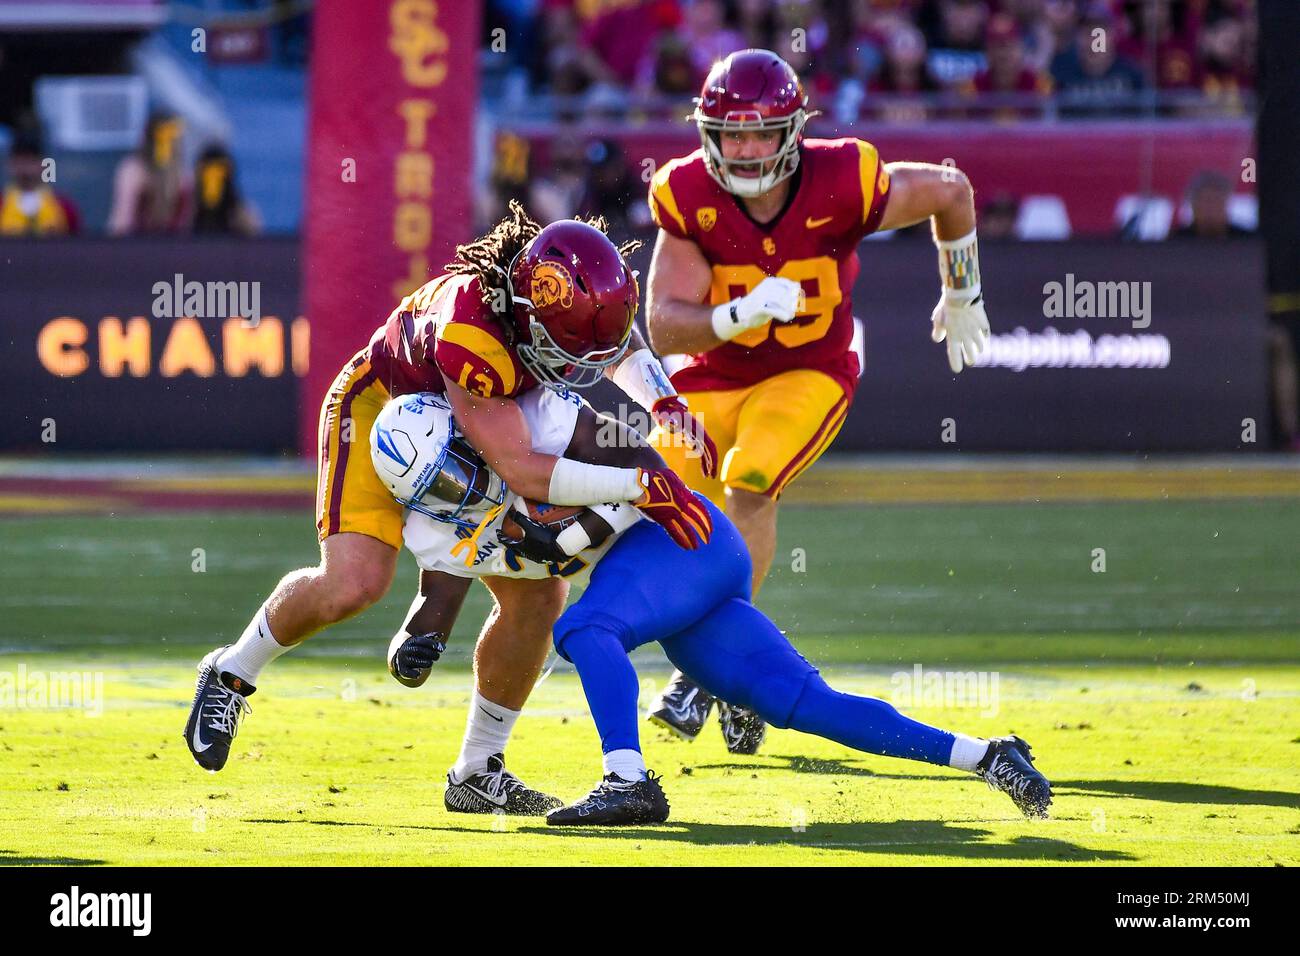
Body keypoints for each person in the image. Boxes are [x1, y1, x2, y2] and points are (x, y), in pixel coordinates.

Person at [183, 206, 717, 817]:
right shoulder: (477, 338)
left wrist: (663, 400)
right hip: (386, 419)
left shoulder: (557, 298)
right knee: (351, 584)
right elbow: (519, 469)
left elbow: (614, 343)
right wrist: (637, 484)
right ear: (528, 318)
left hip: (474, 415)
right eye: (568, 353)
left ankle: (476, 771)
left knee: (540, 598)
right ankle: (230, 672)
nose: (580, 371)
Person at [372, 388, 1052, 826]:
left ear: (470, 439)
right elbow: (433, 606)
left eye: (456, 471)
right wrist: (411, 651)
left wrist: (559, 532)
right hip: (681, 587)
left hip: (680, 538)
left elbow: (645, 480)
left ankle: (626, 780)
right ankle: (987, 756)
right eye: (436, 487)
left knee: (582, 625)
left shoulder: (541, 425)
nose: (456, 492)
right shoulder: (438, 523)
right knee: (802, 705)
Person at [641, 49, 991, 753]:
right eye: (728, 132)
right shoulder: (685, 192)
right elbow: (663, 321)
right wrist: (734, 317)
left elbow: (951, 191)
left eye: (758, 132)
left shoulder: (842, 177)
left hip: (809, 369)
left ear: (792, 131)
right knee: (658, 499)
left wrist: (962, 290)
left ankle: (711, 673)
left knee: (752, 481)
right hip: (714, 373)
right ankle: (742, 677)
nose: (741, 148)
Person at [0, 127, 80, 236]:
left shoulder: (63, 205)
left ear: (43, 164)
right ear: (9, 165)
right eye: (20, 161)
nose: (25, 168)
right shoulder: (2, 203)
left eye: (31, 161)